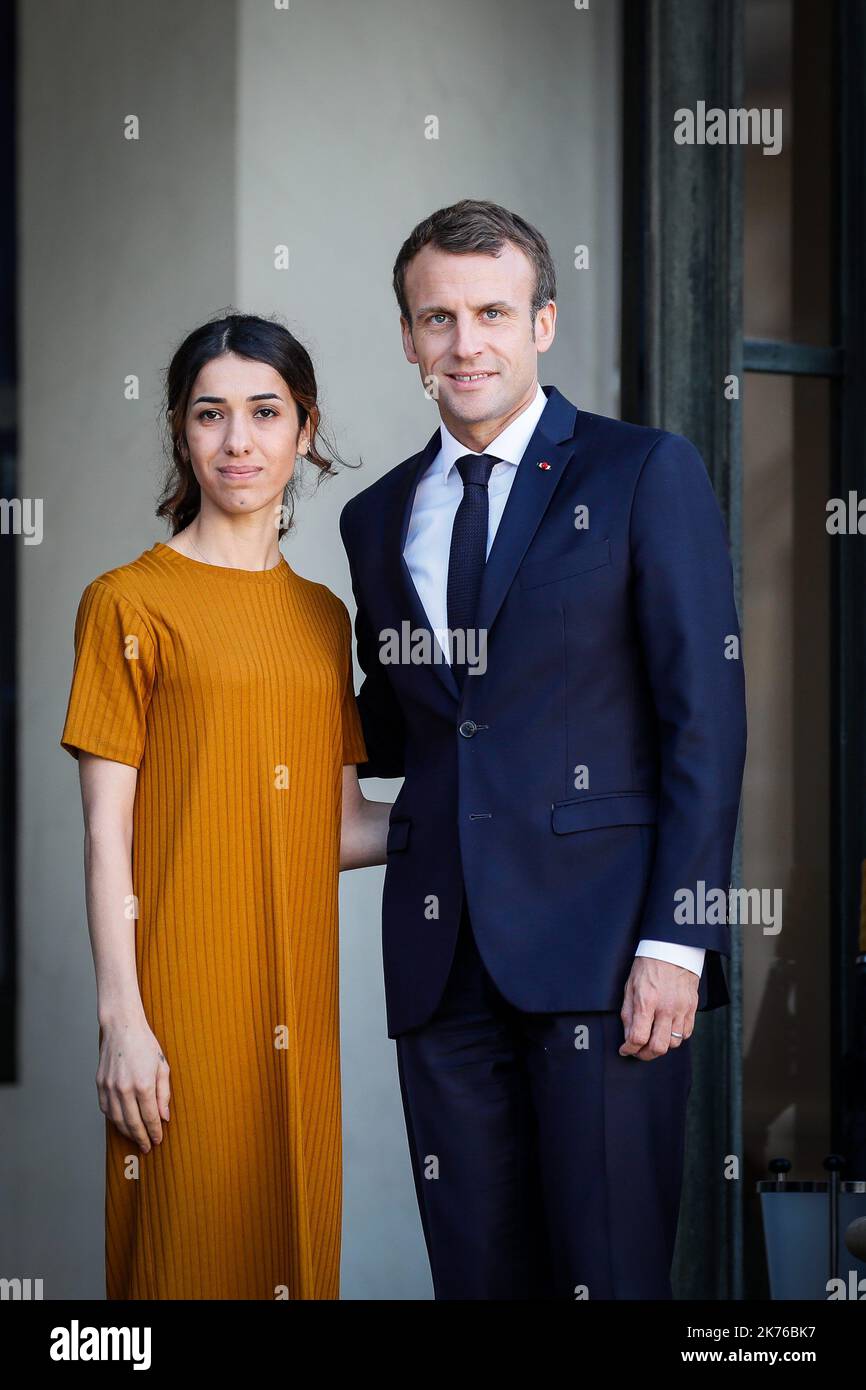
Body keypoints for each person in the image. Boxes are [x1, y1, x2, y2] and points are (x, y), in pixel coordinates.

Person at [339, 199, 747, 1300]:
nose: (463, 343)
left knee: (607, 1275)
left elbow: (702, 720)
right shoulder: (374, 520)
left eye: (490, 312)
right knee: (475, 1280)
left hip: (606, 955)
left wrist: (679, 938)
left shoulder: (637, 472)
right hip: (439, 964)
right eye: (436, 318)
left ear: (542, 324)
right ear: (407, 337)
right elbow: (401, 718)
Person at [60, 313, 391, 1299]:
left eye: (262, 412)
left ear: (303, 429)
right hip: (177, 1006)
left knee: (290, 1253)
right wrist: (123, 1020)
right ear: (180, 430)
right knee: (179, 1266)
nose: (237, 441)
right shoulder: (127, 602)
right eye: (210, 415)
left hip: (296, 1011)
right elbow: (105, 836)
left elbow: (339, 829)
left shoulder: (324, 620)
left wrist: (495, 811)